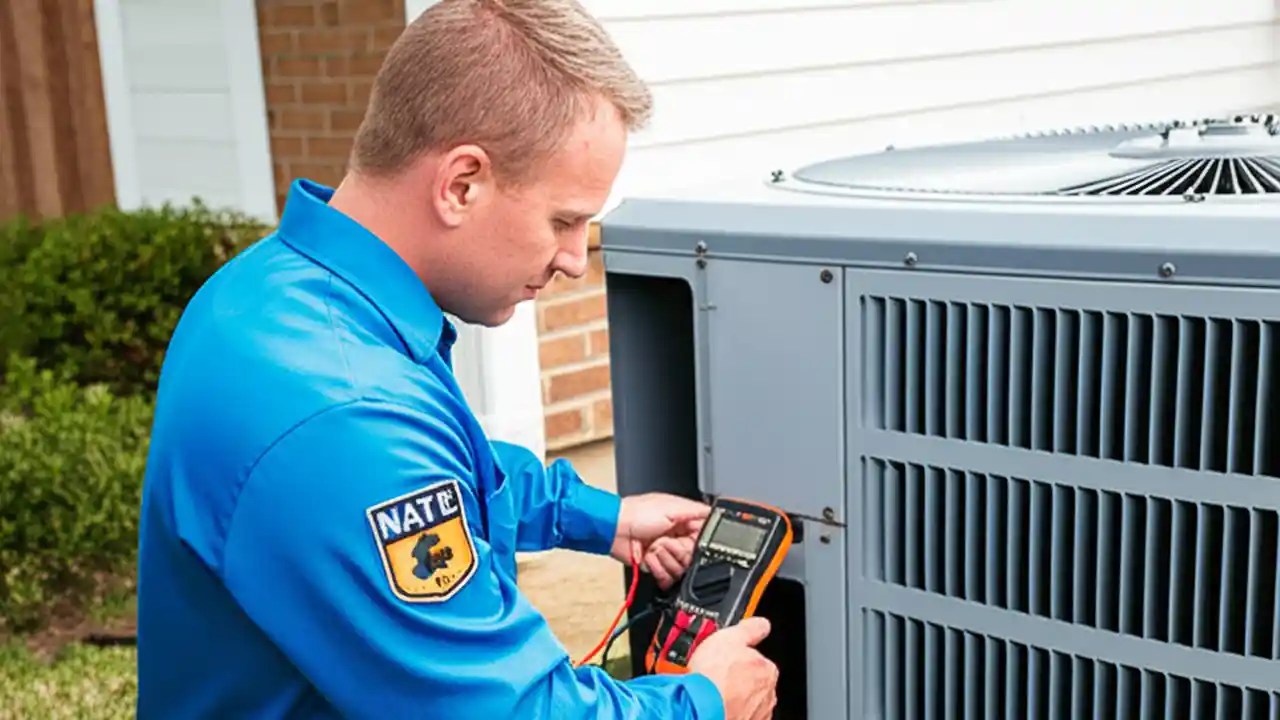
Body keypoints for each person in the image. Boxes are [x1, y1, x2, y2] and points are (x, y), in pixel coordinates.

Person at [134, 0, 779, 718]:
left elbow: (441, 469)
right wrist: (706, 701)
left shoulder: (269, 292)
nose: (573, 258)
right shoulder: (346, 415)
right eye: (564, 220)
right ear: (461, 183)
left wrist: (605, 517)